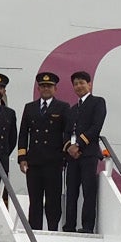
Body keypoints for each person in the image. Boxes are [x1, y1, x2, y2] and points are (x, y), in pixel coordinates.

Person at [17, 69, 71, 229]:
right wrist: (22, 157)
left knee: (53, 199)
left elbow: (66, 133)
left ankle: (53, 228)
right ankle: (35, 229)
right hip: (34, 161)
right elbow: (23, 134)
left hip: (53, 162)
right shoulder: (30, 108)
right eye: (43, 86)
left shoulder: (62, 107)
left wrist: (64, 157)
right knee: (35, 199)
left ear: (55, 89)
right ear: (38, 88)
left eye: (49, 86)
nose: (46, 89)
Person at [63, 68, 106, 232]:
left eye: (82, 83)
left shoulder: (98, 102)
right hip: (73, 157)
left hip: (88, 154)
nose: (79, 86)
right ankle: (69, 225)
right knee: (71, 192)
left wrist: (79, 144)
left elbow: (96, 126)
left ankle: (87, 226)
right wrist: (69, 148)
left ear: (90, 84)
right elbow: (66, 132)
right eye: (75, 84)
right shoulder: (72, 109)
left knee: (88, 191)